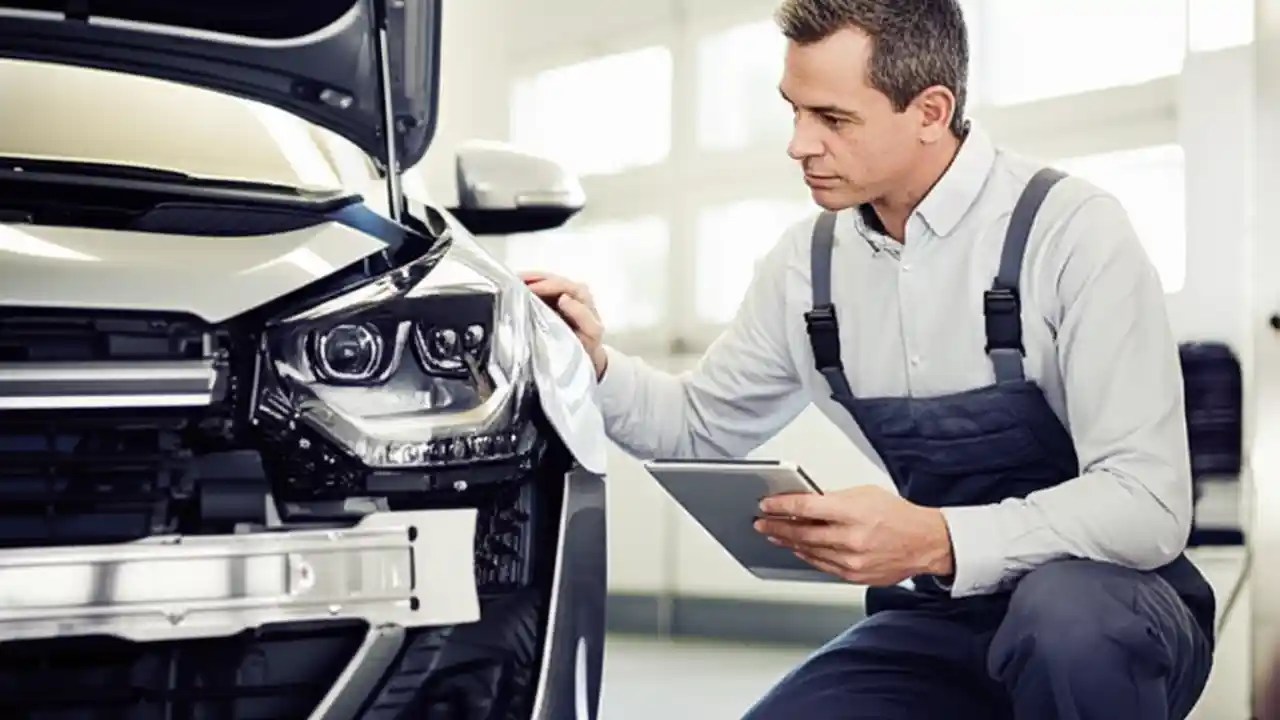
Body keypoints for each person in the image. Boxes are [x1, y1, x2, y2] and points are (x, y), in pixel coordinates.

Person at [523, 1, 1215, 717]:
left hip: (1113, 610)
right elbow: (697, 425)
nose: (799, 144)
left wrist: (934, 537)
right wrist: (594, 366)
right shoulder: (808, 267)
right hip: (949, 617)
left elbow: (1147, 504)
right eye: (793, 111)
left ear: (930, 110)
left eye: (833, 119)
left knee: (1065, 619)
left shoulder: (1071, 233)